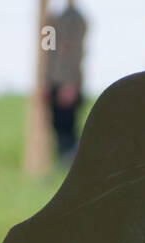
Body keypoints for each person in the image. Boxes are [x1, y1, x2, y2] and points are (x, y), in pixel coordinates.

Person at [43, 1, 88, 164]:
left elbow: (74, 51)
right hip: (56, 82)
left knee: (67, 129)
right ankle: (64, 163)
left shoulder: (75, 20)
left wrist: (70, 83)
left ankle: (70, 164)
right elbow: (49, 50)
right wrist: (47, 80)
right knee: (59, 128)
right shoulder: (56, 19)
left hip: (67, 84)